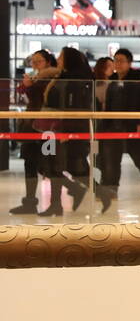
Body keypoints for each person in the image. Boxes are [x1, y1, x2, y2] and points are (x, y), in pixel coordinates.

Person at [97, 48, 140, 211]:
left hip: (132, 125)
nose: (118, 63)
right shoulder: (112, 80)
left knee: (138, 156)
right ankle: (112, 190)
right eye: (116, 60)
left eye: (121, 60)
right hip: (114, 126)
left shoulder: (138, 79)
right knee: (113, 159)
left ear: (129, 63)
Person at [37, 47, 93, 217]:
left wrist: (65, 132)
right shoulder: (63, 77)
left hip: (62, 130)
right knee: (49, 164)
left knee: (56, 164)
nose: (58, 59)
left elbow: (72, 108)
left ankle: (62, 200)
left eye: (61, 56)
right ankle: (62, 199)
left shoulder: (74, 81)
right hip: (51, 128)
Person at [10, 50, 57, 215]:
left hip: (46, 128)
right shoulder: (34, 77)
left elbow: (41, 100)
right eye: (33, 61)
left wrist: (29, 88)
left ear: (48, 62)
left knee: (48, 165)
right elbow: (21, 93)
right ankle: (30, 202)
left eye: (39, 61)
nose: (35, 64)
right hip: (32, 126)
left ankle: (60, 199)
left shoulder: (51, 78)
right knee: (30, 162)